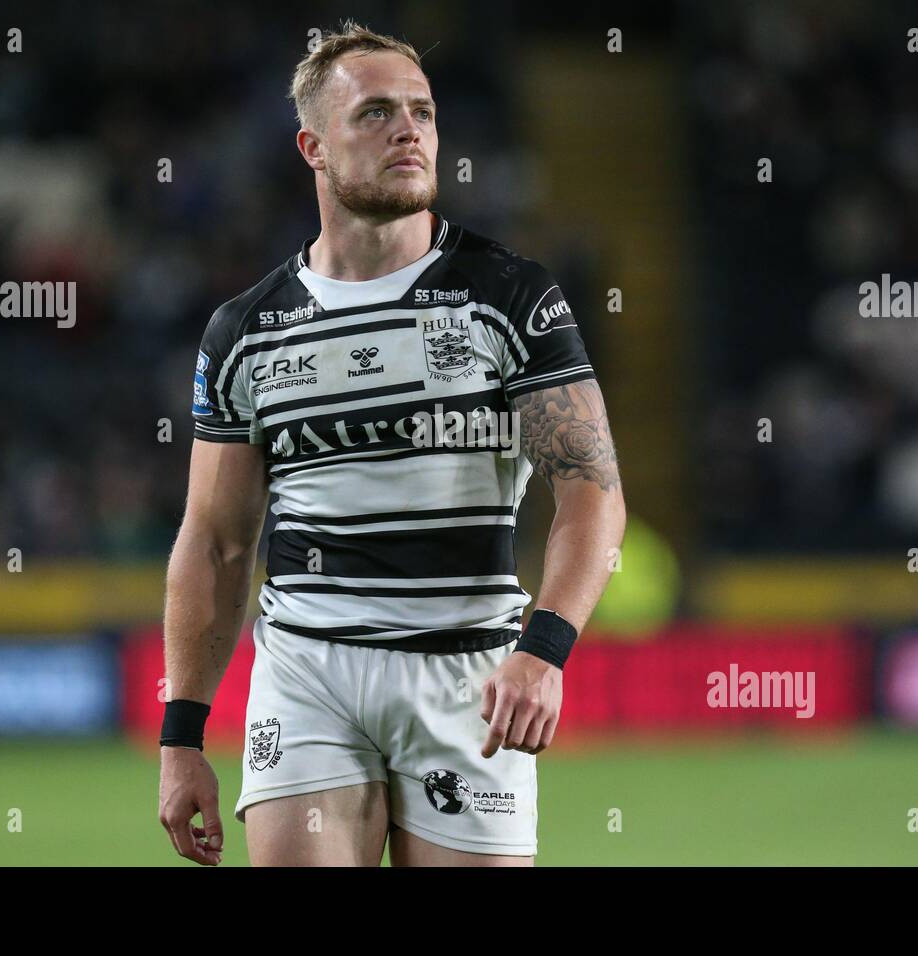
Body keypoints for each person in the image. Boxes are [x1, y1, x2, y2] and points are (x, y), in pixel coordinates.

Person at [158, 19, 625, 867]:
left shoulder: (510, 298)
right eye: (376, 113)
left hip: (469, 681)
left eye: (423, 111)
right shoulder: (246, 332)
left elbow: (592, 490)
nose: (409, 129)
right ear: (312, 145)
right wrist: (181, 737)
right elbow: (217, 542)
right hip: (308, 675)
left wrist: (544, 652)